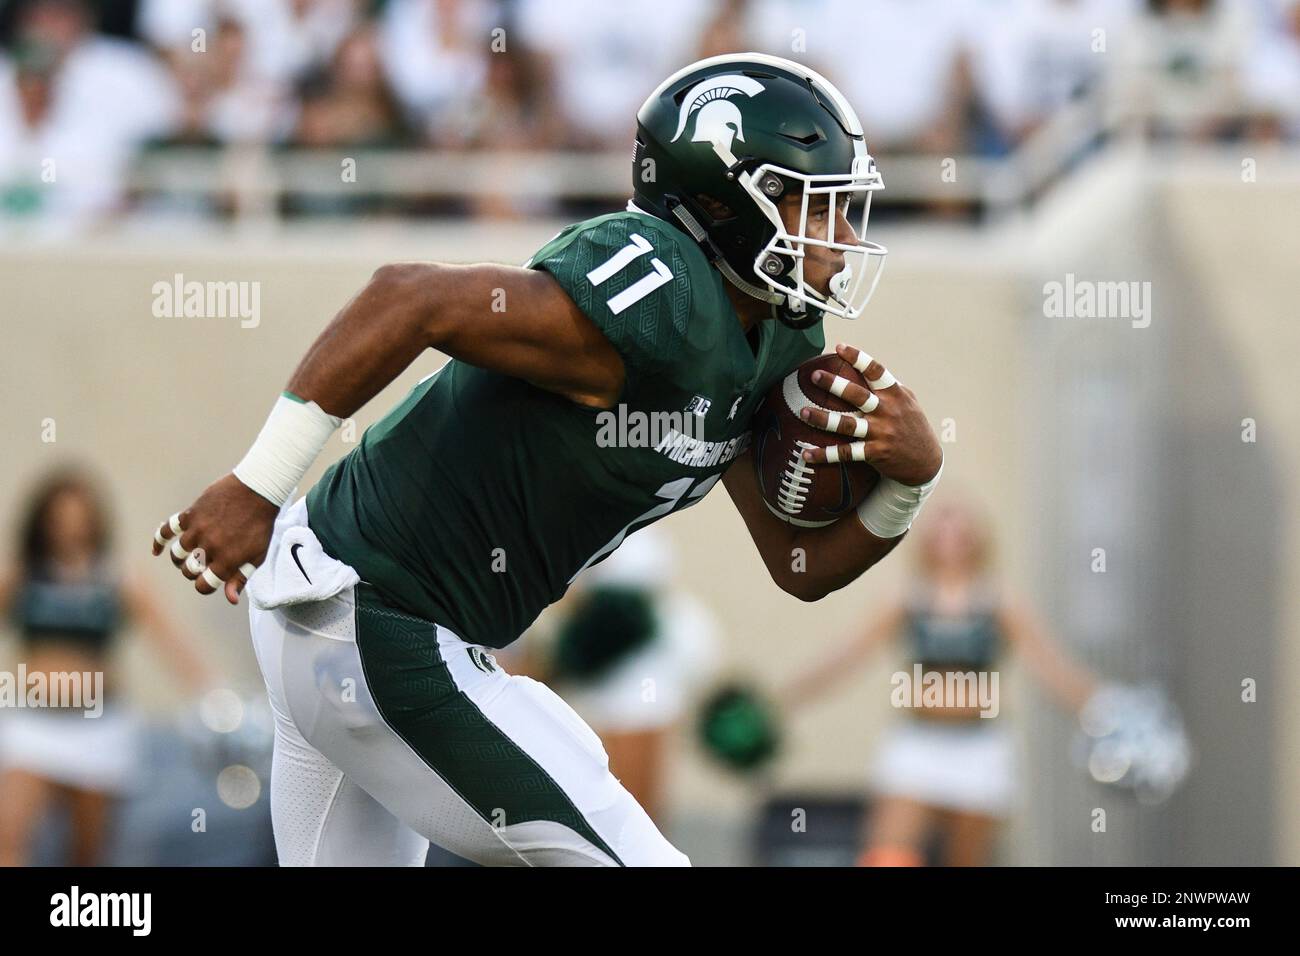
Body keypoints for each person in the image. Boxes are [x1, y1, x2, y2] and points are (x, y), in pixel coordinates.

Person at [151, 53, 945, 867]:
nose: (845, 239)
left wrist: (910, 483)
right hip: (376, 618)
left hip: (349, 621)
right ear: (728, 201)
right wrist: (256, 485)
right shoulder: (662, 292)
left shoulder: (773, 335)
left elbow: (798, 565)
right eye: (821, 206)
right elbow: (407, 297)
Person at [779, 497, 1098, 866]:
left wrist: (1102, 706)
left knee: (965, 859)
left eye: (960, 525)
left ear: (978, 537)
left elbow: (1049, 666)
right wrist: (784, 698)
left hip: (980, 748)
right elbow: (846, 656)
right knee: (887, 854)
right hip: (917, 744)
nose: (951, 535)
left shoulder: (998, 599)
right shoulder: (906, 597)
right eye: (942, 523)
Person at [0, 467, 214, 866]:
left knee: (87, 851)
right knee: (10, 835)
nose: (69, 528)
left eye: (78, 517)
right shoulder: (22, 575)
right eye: (59, 517)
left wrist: (212, 696)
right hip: (33, 726)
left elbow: (168, 640)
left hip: (97, 729)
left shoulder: (117, 578)